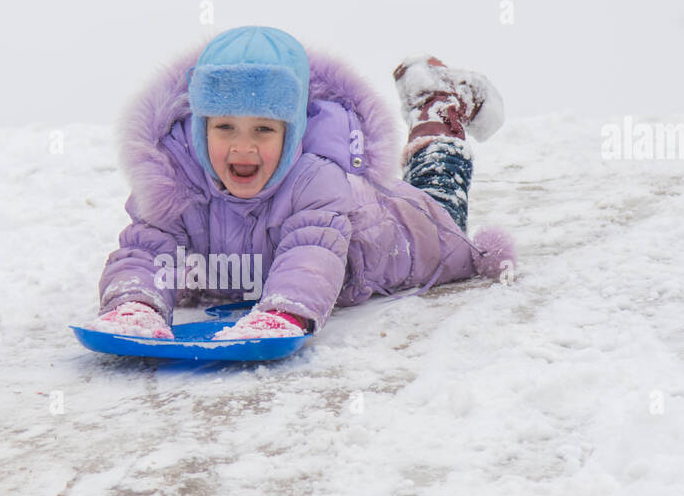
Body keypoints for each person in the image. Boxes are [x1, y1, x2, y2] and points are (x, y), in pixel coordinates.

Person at [87, 25, 515, 341]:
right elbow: (147, 248)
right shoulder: (174, 179)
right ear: (199, 129)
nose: (243, 148)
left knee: (436, 188)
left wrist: (285, 312)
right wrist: (135, 303)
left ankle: (438, 108)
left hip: (413, 230)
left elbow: (311, 254)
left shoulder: (315, 179)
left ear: (292, 133)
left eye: (264, 130)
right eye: (225, 128)